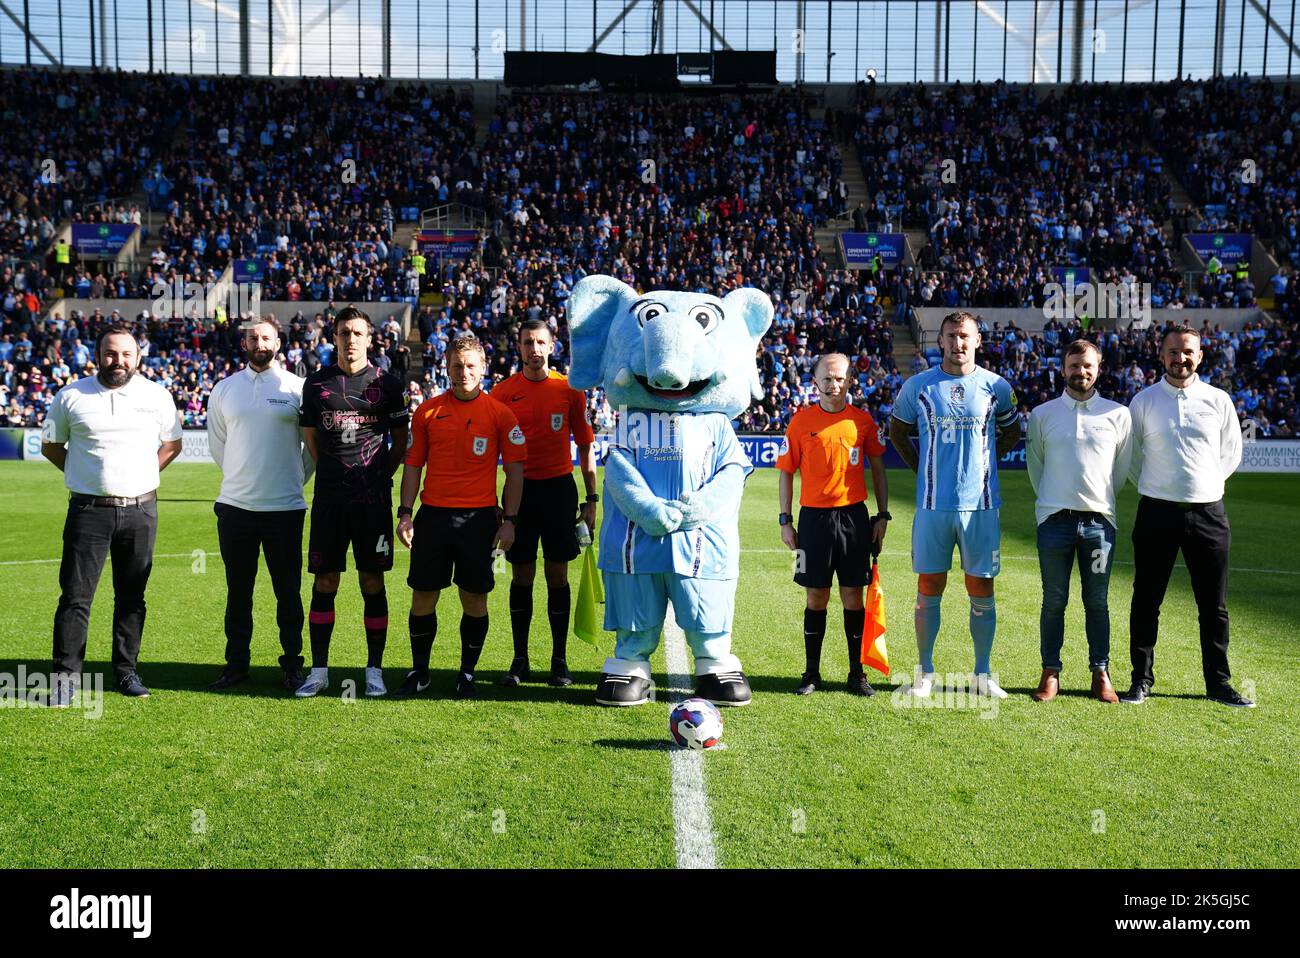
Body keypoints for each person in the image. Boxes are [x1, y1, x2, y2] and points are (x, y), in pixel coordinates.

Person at [41, 322, 183, 704]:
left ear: (138, 357)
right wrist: (83, 474)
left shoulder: (157, 395)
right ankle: (66, 677)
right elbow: (51, 445)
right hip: (89, 510)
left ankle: (125, 671)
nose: (117, 360)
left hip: (141, 510)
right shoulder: (70, 395)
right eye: (110, 353)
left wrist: (142, 477)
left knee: (132, 596)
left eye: (125, 354)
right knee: (75, 596)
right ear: (96, 355)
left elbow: (173, 444)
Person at [889, 311, 1021, 699]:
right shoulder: (919, 386)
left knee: (981, 586)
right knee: (930, 583)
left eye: (965, 336)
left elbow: (1012, 429)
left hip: (980, 504)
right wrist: (922, 470)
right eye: (951, 336)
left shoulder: (995, 386)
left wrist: (988, 464)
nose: (958, 343)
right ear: (940, 341)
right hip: (933, 505)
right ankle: (926, 672)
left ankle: (982, 673)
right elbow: (898, 432)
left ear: (977, 340)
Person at [1122, 325, 1251, 707]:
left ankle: (1218, 683)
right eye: (1174, 352)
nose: (1181, 358)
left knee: (1214, 606)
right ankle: (1140, 680)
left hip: (1208, 513)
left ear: (1200, 356)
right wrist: (1161, 485)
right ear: (1161, 356)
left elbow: (1230, 453)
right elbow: (1132, 459)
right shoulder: (1143, 401)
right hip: (1155, 512)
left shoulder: (1218, 400)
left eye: (1188, 352)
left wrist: (1202, 486)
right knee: (1146, 600)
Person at [394, 335, 526, 700]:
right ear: (447, 367)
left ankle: (466, 674)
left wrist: (509, 519)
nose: (463, 372)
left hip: (479, 520)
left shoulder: (500, 414)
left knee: (474, 599)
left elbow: (515, 472)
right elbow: (413, 466)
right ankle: (419, 672)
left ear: (483, 368)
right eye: (456, 365)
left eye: (470, 366)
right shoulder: (428, 412)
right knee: (423, 597)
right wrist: (406, 514)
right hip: (432, 517)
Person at [296, 306, 409, 698]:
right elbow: (311, 438)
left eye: (358, 333)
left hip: (372, 501)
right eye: (344, 333)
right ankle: (319, 670)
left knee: (371, 580)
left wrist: (381, 475)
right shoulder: (316, 384)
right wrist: (333, 470)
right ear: (335, 337)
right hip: (329, 499)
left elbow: (401, 440)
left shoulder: (387, 384)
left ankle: (374, 670)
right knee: (325, 580)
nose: (351, 339)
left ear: (369, 338)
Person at [205, 317, 315, 692]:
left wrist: (289, 482)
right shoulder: (225, 389)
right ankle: (236, 665)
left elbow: (311, 451)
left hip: (285, 509)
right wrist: (242, 481)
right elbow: (218, 445)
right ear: (244, 344)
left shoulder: (297, 388)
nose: (259, 342)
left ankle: (292, 666)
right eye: (252, 337)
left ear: (278, 342)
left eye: (266, 336)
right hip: (235, 509)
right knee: (239, 593)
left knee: (288, 592)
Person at [1025, 340, 1133, 703]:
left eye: (1087, 365)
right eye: (1074, 366)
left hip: (1099, 525)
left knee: (1097, 602)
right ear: (1063, 369)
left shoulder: (1118, 414)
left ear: (1098, 367)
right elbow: (1036, 469)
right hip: (1054, 523)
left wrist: (1094, 502)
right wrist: (1057, 503)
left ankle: (1100, 672)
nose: (1080, 372)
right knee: (1054, 600)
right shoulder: (1043, 414)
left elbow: (1119, 474)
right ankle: (1050, 671)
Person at [776, 353, 889, 696]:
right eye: (827, 378)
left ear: (850, 381)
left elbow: (879, 471)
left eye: (840, 378)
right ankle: (811, 674)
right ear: (815, 381)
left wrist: (882, 515)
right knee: (816, 597)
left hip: (854, 518)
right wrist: (786, 521)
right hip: (813, 521)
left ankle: (857, 675)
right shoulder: (799, 422)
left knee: (854, 596)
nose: (833, 384)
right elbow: (785, 473)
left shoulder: (862, 422)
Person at [495, 319, 598, 688]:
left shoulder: (570, 390)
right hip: (519, 494)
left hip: (558, 490)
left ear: (551, 347)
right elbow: (489, 449)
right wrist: (494, 502)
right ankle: (519, 660)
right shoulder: (503, 393)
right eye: (527, 343)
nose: (534, 349)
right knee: (521, 574)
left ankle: (559, 661)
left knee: (557, 574)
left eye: (540, 342)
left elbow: (585, 447)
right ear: (519, 347)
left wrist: (591, 498)